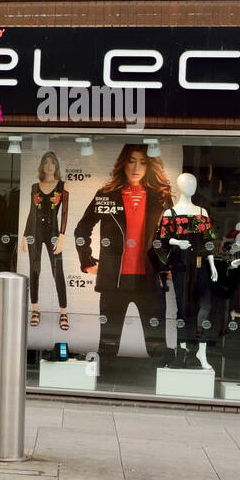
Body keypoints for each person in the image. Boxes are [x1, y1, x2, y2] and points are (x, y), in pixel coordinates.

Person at [74, 144, 173, 369]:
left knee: (156, 344)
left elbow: (172, 236)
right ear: (123, 163)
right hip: (113, 281)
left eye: (143, 161)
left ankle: (160, 394)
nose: (136, 167)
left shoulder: (161, 197)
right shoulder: (106, 195)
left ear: (149, 166)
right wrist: (87, 261)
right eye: (131, 160)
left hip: (149, 278)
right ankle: (101, 392)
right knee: (108, 344)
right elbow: (82, 229)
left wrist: (168, 267)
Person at [21, 151, 70, 331]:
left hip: (53, 233)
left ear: (56, 166)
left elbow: (64, 213)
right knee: (34, 270)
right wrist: (25, 236)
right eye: (46, 162)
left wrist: (62, 236)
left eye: (52, 163)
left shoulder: (62, 186)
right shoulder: (34, 187)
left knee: (58, 271)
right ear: (42, 166)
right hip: (35, 231)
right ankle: (35, 309)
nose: (49, 166)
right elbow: (31, 213)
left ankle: (63, 312)